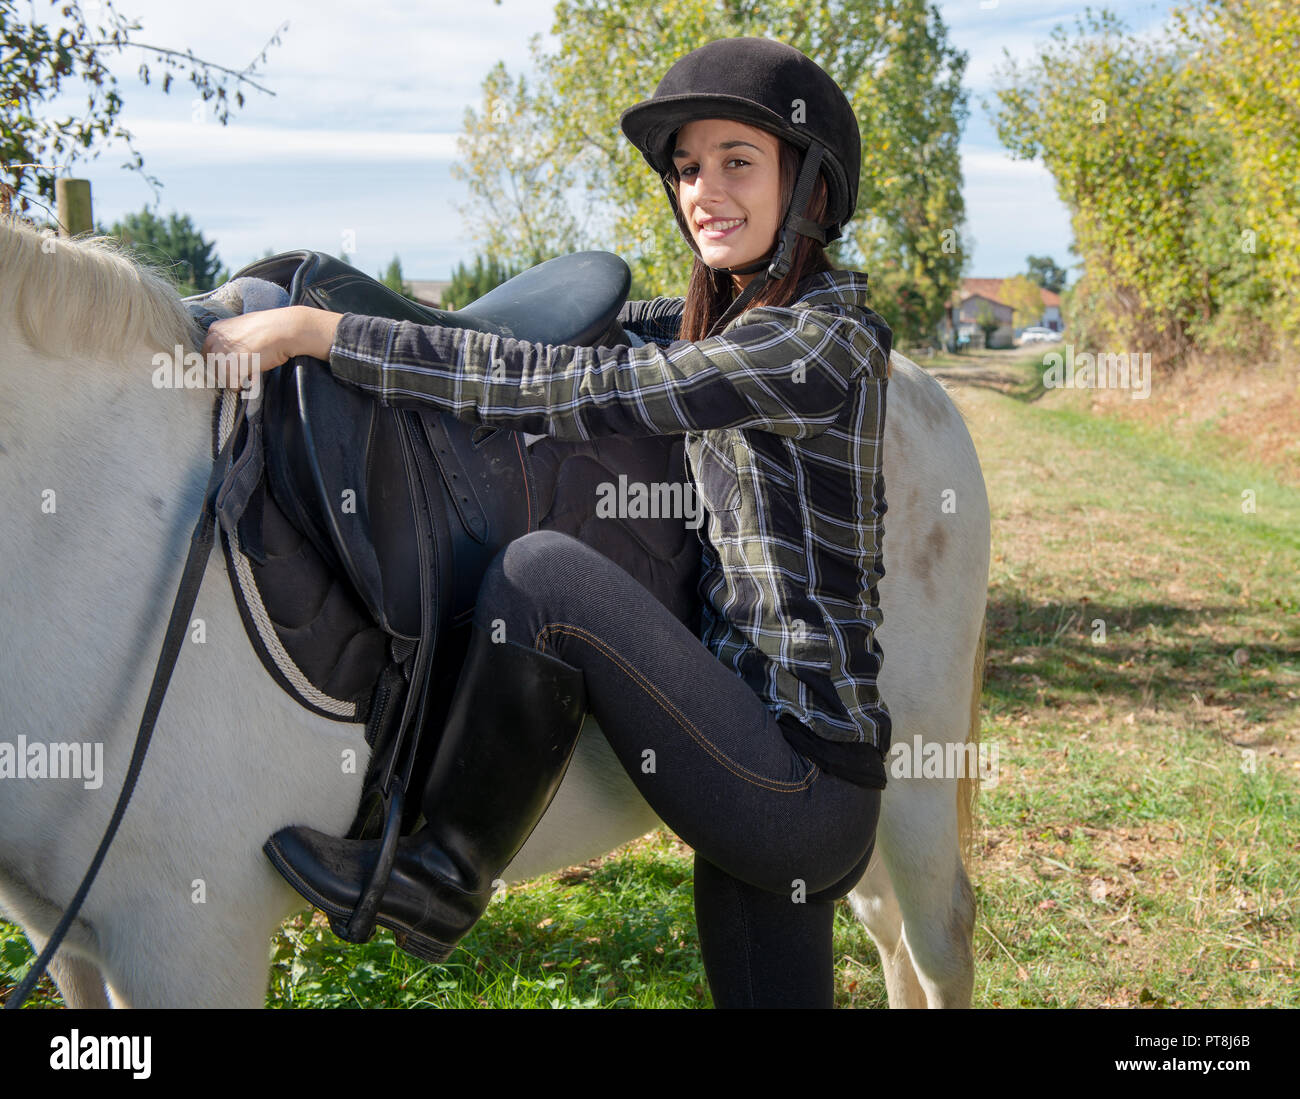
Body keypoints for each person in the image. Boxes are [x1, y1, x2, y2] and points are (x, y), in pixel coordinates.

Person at [203, 35, 895, 1009]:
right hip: (757, 781)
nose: (703, 190)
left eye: (737, 162)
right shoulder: (739, 325)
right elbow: (578, 338)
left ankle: (438, 870)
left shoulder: (819, 339)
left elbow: (578, 387)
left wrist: (327, 335)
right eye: (688, 168)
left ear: (810, 188)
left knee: (542, 577)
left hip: (796, 789)